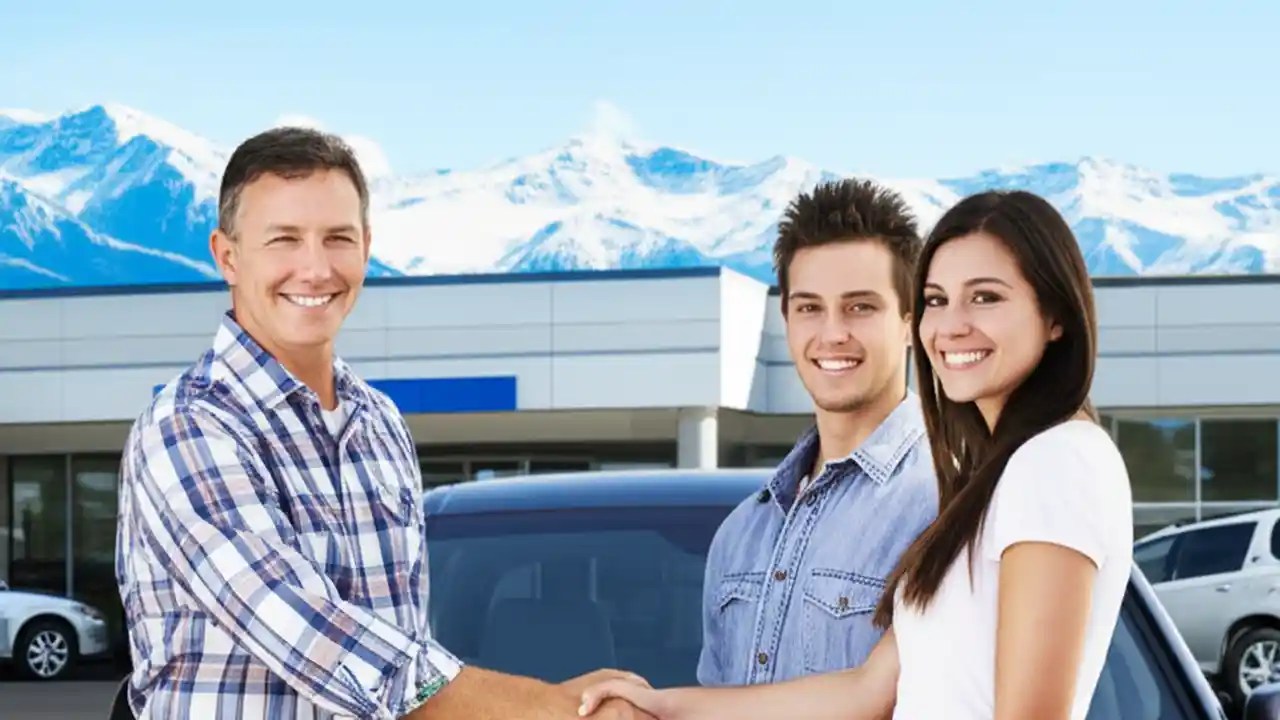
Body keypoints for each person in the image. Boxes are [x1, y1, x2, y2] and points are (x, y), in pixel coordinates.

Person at [114, 126, 651, 719]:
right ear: (228, 256)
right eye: (284, 239)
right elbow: (318, 641)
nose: (315, 268)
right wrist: (551, 708)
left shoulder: (380, 424)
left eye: (337, 238)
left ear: (366, 247)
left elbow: (410, 653)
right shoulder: (189, 428)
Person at [576, 189, 1135, 720]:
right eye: (938, 299)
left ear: (1055, 315)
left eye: (986, 297)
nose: (953, 324)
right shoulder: (988, 487)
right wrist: (660, 703)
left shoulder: (1057, 460)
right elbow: (865, 692)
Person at [696, 178, 938, 689]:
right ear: (785, 318)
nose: (832, 334)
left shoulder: (949, 503)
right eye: (809, 307)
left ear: (909, 321)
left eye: (860, 307)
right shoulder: (738, 537)